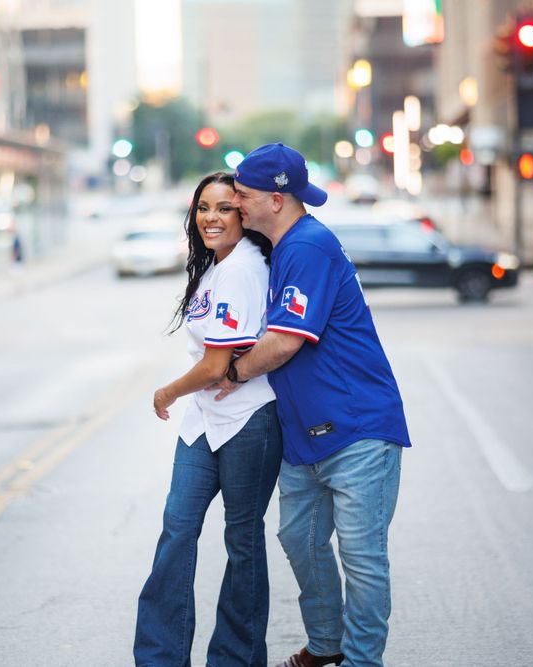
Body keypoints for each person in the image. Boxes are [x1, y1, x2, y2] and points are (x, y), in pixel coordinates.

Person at [213, 144, 411, 667]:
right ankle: (327, 646)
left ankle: (362, 660)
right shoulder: (282, 249)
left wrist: (228, 373)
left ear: (277, 200)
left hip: (357, 428)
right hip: (305, 435)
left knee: (362, 558)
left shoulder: (307, 246)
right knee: (298, 537)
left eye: (245, 196)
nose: (236, 204)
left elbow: (284, 343)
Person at [134, 172, 284, 667]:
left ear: (243, 214)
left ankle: (236, 659)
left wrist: (167, 392)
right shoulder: (213, 268)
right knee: (177, 531)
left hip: (248, 421)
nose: (210, 218)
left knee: (242, 541)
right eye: (203, 208)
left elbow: (216, 365)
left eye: (223, 208)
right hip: (204, 423)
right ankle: (160, 657)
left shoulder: (243, 268)